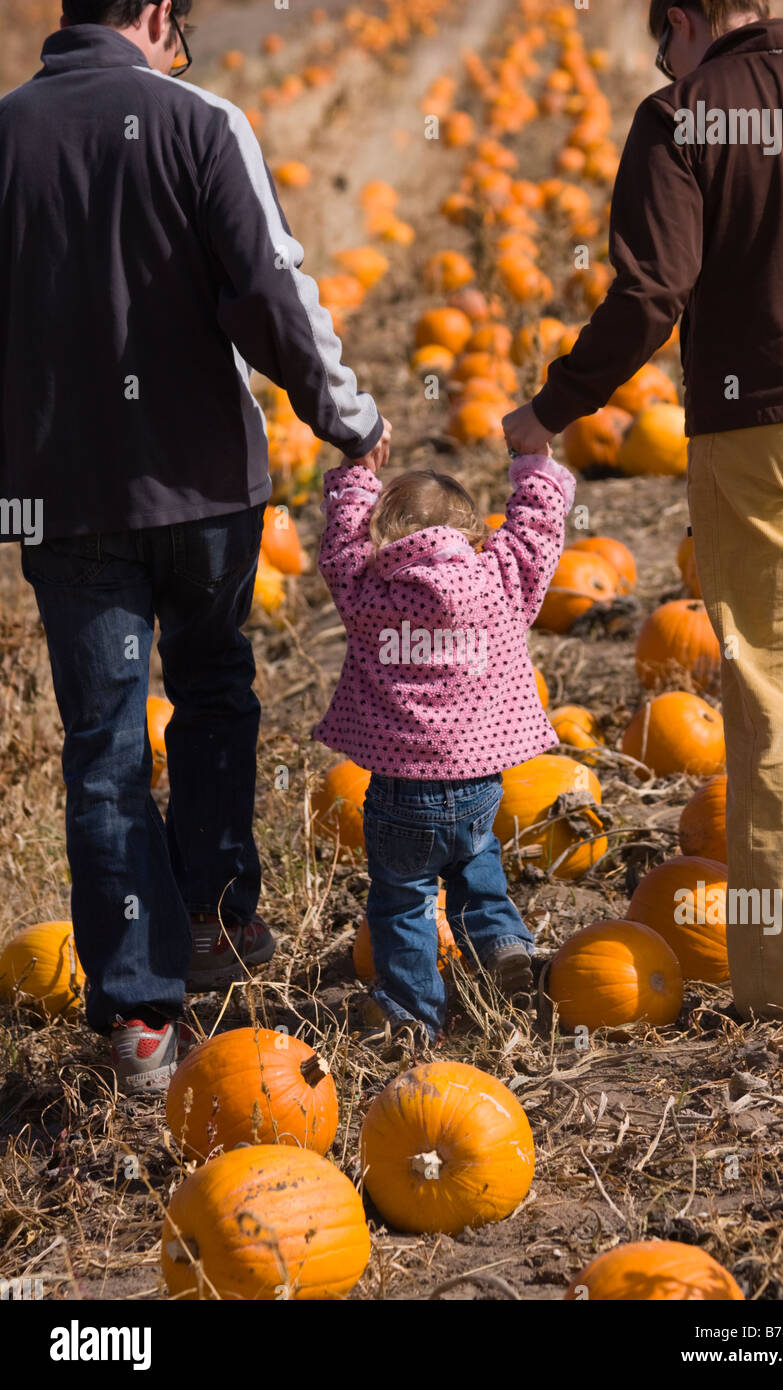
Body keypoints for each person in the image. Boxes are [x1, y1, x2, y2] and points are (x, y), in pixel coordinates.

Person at [0, 0, 390, 1093]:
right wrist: (348, 420)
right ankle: (216, 924)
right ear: (161, 12)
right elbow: (270, 290)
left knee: (103, 748)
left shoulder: (8, 131)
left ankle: (137, 1016)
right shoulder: (198, 118)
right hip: (202, 488)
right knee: (214, 692)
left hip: (59, 500)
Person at [503, 1, 783, 1023]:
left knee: (776, 694)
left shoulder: (679, 117)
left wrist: (554, 406)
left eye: (657, 39)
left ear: (684, 20)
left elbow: (648, 294)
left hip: (762, 435)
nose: (659, 60)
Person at [314, 447, 577, 1053]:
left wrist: (357, 470)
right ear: (471, 530)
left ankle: (411, 1012)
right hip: (480, 781)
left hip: (401, 788)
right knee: (476, 864)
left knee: (403, 902)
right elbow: (535, 537)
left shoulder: (368, 587)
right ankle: (505, 950)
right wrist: (534, 464)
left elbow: (339, 548)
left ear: (384, 530)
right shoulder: (499, 581)